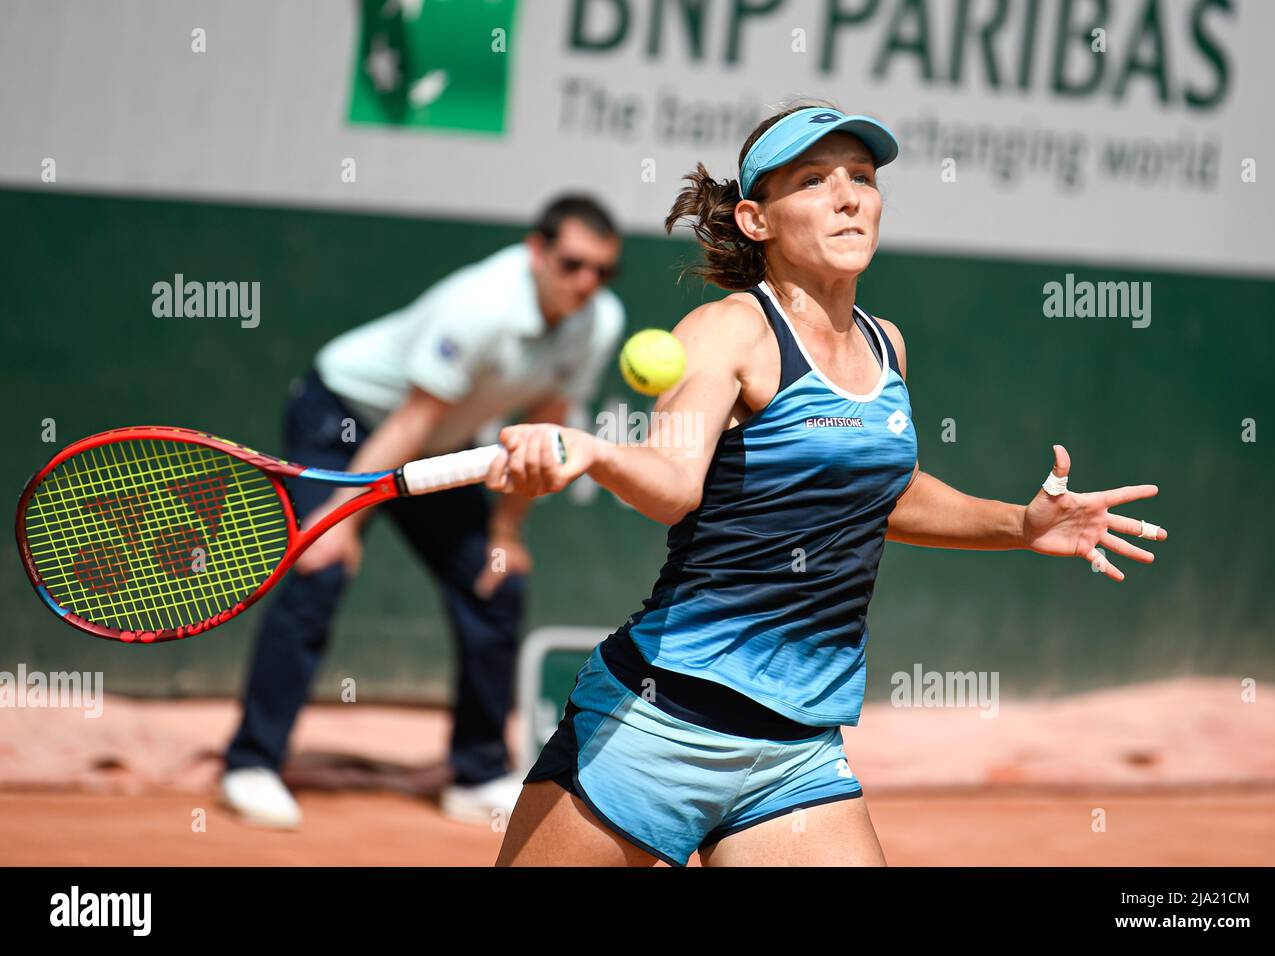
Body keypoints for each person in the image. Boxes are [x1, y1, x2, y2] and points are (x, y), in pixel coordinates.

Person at [486, 103, 1168, 866]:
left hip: (796, 752)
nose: (849, 197)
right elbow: (672, 484)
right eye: (813, 181)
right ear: (755, 220)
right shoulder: (729, 331)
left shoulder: (885, 344)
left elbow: (888, 495)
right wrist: (594, 453)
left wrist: (1021, 524)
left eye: (864, 178)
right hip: (657, 722)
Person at [220, 195, 625, 829]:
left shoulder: (597, 321)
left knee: (495, 578)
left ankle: (478, 772)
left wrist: (504, 532)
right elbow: (412, 418)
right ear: (537, 252)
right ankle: (250, 764)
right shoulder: (481, 305)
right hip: (346, 421)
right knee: (319, 568)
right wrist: (342, 523)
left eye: (603, 271)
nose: (587, 283)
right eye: (573, 265)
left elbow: (542, 426)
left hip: (438, 441)